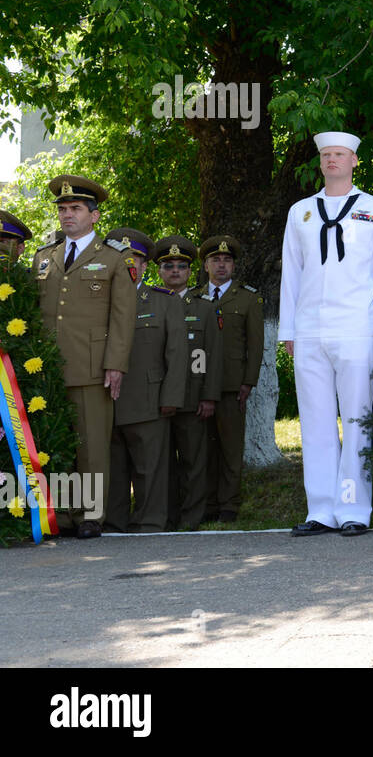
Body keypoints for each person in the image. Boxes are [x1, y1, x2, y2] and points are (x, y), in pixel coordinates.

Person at [280, 132, 373, 537]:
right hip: (309, 330)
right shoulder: (300, 212)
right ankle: (321, 510)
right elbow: (291, 273)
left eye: (339, 155)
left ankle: (354, 508)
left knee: (358, 418)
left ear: (355, 161)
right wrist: (287, 329)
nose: (332, 161)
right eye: (326, 155)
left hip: (357, 327)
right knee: (316, 421)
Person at [33, 176, 136, 538]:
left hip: (92, 367)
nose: (67, 215)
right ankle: (60, 514)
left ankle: (91, 515)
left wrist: (116, 364)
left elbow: (123, 318)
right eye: (62, 209)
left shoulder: (113, 259)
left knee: (92, 446)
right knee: (54, 443)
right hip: (46, 368)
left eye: (75, 209)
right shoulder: (44, 258)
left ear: (94, 216)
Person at [103, 229, 188, 533]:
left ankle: (150, 522)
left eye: (135, 260)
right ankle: (113, 522)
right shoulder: (99, 298)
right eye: (122, 259)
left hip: (149, 399)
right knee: (112, 467)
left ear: (143, 267)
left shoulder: (163, 301)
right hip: (106, 400)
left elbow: (177, 355)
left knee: (150, 468)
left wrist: (171, 398)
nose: (129, 265)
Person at [154, 235, 224, 531]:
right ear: (159, 271)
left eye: (181, 266)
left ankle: (191, 517)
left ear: (190, 271)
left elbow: (213, 355)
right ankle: (166, 517)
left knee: (194, 461)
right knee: (162, 463)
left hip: (193, 396)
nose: (174, 271)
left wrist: (209, 397)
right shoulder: (150, 303)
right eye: (168, 266)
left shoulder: (204, 307)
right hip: (156, 396)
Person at [199, 235, 263, 524]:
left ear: (233, 265)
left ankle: (229, 503)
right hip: (199, 386)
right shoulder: (193, 297)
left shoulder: (248, 298)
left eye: (226, 260)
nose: (221, 265)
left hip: (231, 385)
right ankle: (207, 502)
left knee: (230, 447)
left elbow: (256, 344)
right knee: (203, 447)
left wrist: (248, 382)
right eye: (215, 260)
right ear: (205, 265)